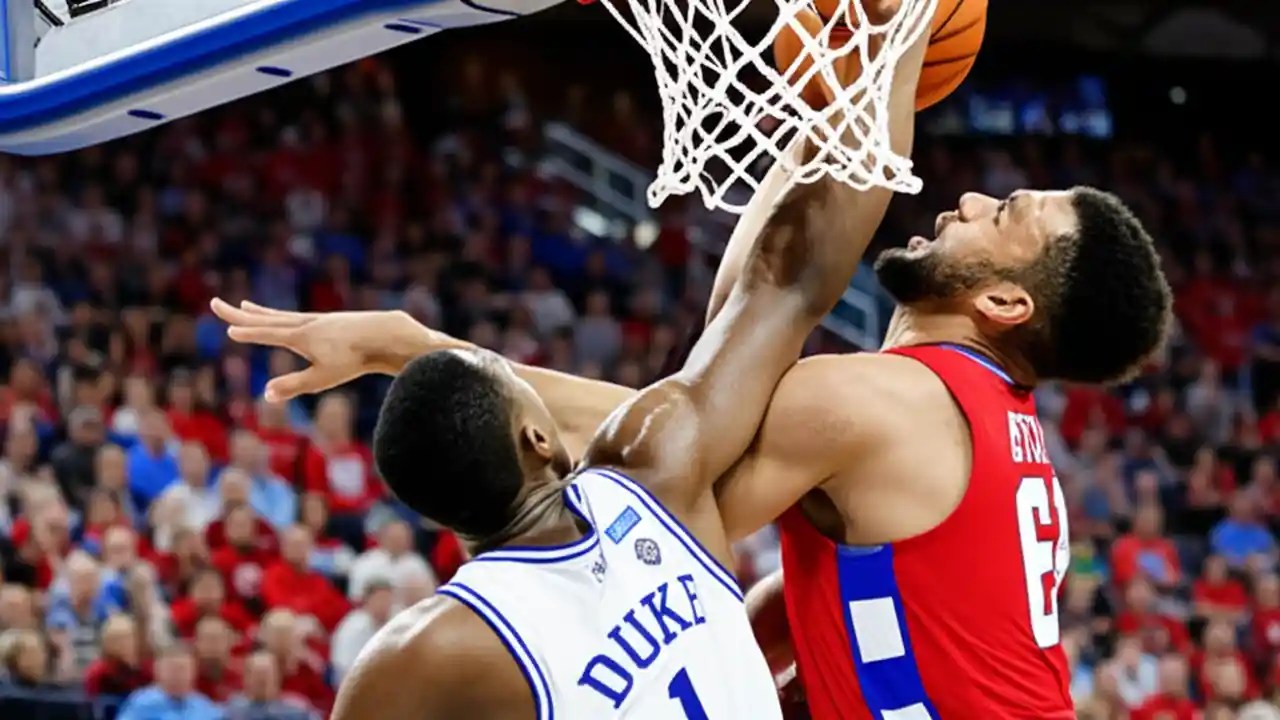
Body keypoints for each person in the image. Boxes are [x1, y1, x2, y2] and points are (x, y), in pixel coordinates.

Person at [217, 1, 923, 715]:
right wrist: (895, 43)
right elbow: (785, 280)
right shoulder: (657, 471)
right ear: (538, 436)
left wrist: (405, 347)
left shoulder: (418, 655)